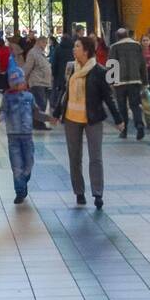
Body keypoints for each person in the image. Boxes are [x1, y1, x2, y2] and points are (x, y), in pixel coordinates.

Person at [53, 34, 119, 210]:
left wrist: (118, 119)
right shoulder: (70, 68)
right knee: (75, 157)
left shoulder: (99, 71)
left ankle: (97, 193)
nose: (74, 49)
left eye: (77, 46)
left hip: (93, 118)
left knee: (95, 157)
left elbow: (108, 97)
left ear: (86, 51)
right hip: (71, 118)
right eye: (74, 46)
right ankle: (79, 192)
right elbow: (64, 91)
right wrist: (57, 112)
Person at [2, 59, 35, 203]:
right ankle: (19, 191)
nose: (21, 85)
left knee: (29, 163)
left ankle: (24, 178)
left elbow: (36, 111)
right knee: (16, 165)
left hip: (27, 135)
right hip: (13, 135)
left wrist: (49, 118)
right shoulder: (7, 98)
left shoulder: (29, 97)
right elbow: (4, 111)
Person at [109, 27, 147, 140]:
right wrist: (145, 81)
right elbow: (142, 64)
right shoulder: (137, 46)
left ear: (117, 37)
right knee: (135, 105)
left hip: (119, 83)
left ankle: (124, 131)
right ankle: (139, 124)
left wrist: (110, 81)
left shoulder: (114, 47)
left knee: (122, 107)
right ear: (127, 35)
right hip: (135, 80)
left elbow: (111, 65)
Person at [24, 35, 53, 121]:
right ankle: (38, 122)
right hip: (37, 82)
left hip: (43, 82)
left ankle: (39, 122)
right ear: (38, 42)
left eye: (46, 43)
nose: (45, 45)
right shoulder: (33, 53)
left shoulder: (41, 53)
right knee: (40, 104)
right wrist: (24, 80)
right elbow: (28, 68)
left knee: (43, 104)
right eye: (44, 42)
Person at [51, 31, 75, 110]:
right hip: (72, 71)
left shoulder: (58, 48)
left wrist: (54, 73)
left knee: (59, 90)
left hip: (60, 73)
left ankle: (57, 105)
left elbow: (54, 62)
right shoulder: (73, 48)